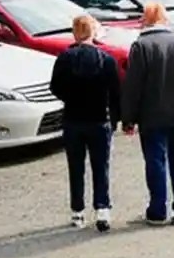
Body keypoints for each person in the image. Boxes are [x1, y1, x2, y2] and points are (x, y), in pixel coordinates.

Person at [122, 2, 174, 226]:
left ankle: (158, 210)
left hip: (152, 116)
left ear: (145, 20)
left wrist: (128, 117)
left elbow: (133, 86)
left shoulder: (141, 46)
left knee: (156, 162)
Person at [49, 14, 121, 232]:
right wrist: (116, 119)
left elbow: (55, 87)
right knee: (101, 167)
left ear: (74, 32)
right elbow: (115, 93)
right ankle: (102, 210)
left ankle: (78, 211)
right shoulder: (106, 59)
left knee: (76, 167)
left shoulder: (64, 58)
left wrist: (70, 98)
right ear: (93, 32)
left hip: (73, 119)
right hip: (99, 119)